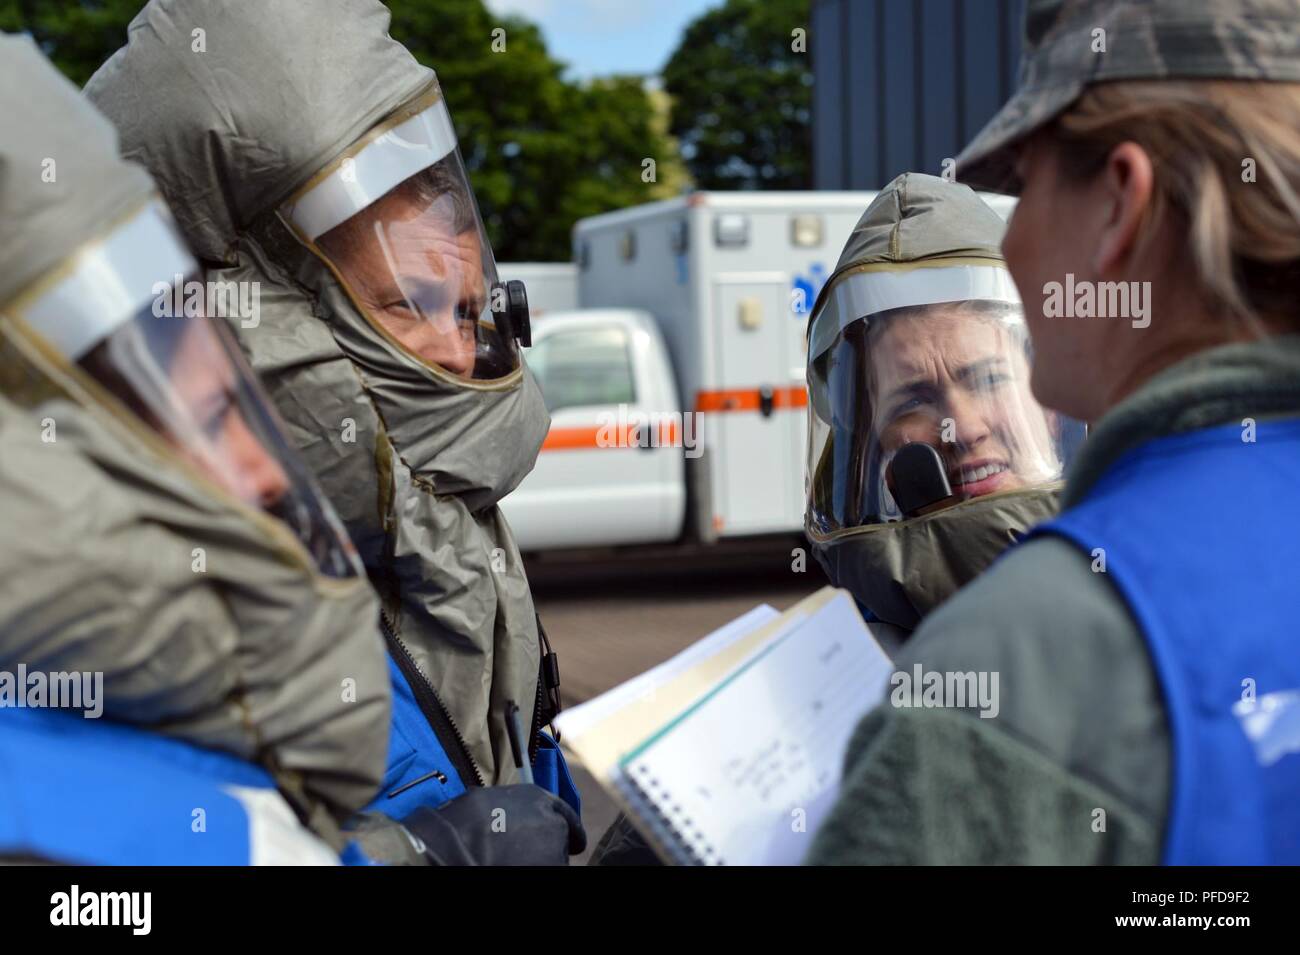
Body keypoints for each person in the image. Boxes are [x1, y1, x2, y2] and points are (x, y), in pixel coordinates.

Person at [0, 33, 583, 865]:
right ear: (265, 317)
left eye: (471, 311)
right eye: (412, 304)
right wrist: (413, 856)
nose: (461, 354)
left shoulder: (449, 537)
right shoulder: (136, 640)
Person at [809, 0, 1300, 865]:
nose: (1019, 242)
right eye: (916, 396)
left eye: (1026, 185)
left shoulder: (1010, 672)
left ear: (1120, 202)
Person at [805, 172, 1080, 647]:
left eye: (990, 379)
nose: (964, 428)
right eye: (913, 399)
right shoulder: (844, 670)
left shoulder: (1154, 600)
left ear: (1051, 400)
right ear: (871, 444)